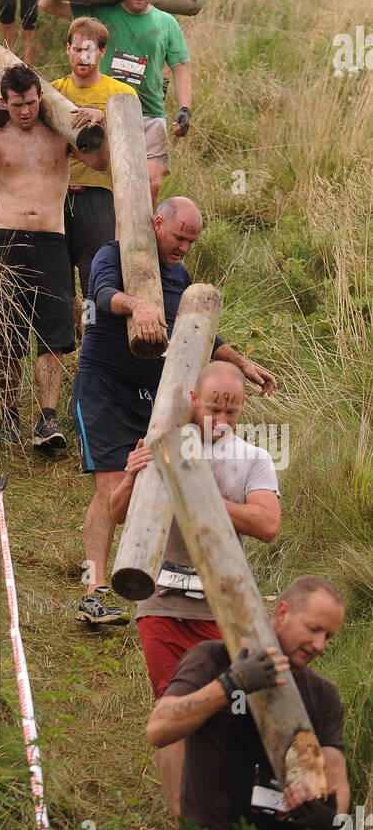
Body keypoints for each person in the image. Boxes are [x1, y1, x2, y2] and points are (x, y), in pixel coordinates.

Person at [74, 196, 277, 626]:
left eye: (191, 241)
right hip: (103, 389)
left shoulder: (180, 275)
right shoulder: (115, 253)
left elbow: (200, 332)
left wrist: (243, 364)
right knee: (111, 487)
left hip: (156, 395)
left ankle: (156, 576)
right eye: (179, 237)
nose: (184, 247)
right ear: (158, 221)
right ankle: (94, 590)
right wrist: (140, 305)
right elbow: (104, 295)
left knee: (153, 479)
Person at [111, 361, 281, 818]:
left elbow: (267, 524)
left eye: (232, 412)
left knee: (225, 713)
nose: (222, 422)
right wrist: (131, 475)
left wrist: (208, 497)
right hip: (162, 602)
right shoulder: (162, 445)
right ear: (193, 402)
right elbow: (117, 512)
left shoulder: (254, 460)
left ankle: (219, 817)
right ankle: (180, 822)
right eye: (213, 410)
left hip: (222, 609)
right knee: (173, 709)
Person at [0, 63, 107, 450]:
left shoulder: (60, 133)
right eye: (15, 104)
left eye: (29, 103)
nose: (24, 112)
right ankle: (8, 415)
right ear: (4, 101)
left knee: (53, 336)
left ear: (40, 98)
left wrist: (99, 121)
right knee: (7, 334)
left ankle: (47, 419)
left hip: (52, 242)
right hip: (7, 240)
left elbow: (99, 162)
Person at [147, 576, 350, 830]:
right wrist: (230, 684)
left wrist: (328, 818)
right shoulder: (213, 659)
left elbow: (336, 777)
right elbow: (158, 729)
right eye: (313, 629)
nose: (320, 645)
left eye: (329, 636)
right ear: (283, 612)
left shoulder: (323, 694)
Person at [41, 0, 192, 206]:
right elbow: (47, 3)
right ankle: (116, 240)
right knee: (118, 186)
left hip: (149, 113)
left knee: (151, 186)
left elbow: (180, 68)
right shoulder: (101, 11)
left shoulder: (166, 22)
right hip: (106, 112)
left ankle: (148, 243)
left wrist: (185, 108)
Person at [50, 17, 138, 318]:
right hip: (55, 196)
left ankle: (92, 336)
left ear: (102, 52)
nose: (82, 57)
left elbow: (132, 150)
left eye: (89, 50)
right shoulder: (53, 92)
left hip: (99, 195)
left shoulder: (122, 95)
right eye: (76, 49)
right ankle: (66, 339)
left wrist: (103, 119)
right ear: (67, 50)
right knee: (58, 277)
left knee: (94, 276)